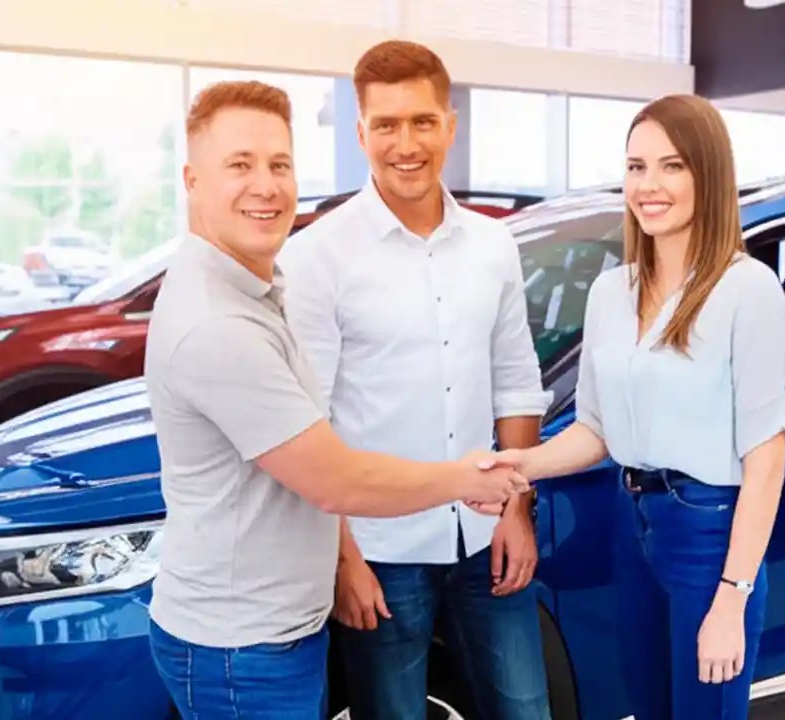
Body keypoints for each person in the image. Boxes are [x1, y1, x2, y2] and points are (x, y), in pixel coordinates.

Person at [143, 79, 530, 720]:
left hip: (271, 634)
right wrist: (470, 476)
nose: (265, 185)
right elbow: (333, 478)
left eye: (279, 164)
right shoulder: (220, 324)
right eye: (239, 165)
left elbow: (513, 372)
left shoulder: (255, 290)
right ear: (192, 180)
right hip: (244, 650)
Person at [491, 94, 785, 720]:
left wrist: (731, 601)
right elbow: (597, 431)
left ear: (707, 175)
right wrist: (519, 464)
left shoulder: (748, 291)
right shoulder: (611, 292)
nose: (648, 185)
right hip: (632, 523)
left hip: (709, 533)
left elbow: (767, 463)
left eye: (671, 166)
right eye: (636, 167)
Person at [281, 40, 554, 720]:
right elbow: (307, 423)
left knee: (526, 711)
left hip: (487, 536)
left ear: (450, 125)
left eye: (422, 122)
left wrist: (518, 512)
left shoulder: (494, 246)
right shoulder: (317, 254)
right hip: (378, 550)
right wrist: (341, 558)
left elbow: (517, 382)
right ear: (361, 133)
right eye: (387, 125)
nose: (407, 143)